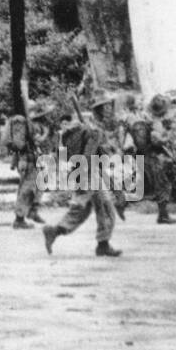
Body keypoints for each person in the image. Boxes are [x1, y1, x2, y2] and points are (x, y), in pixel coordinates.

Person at [42, 94, 122, 258]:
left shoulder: (86, 128)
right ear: (99, 111)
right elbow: (89, 154)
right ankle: (102, 244)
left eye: (108, 107)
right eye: (105, 107)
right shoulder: (92, 129)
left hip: (84, 171)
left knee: (85, 209)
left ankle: (56, 231)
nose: (108, 110)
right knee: (105, 207)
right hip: (87, 172)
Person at [135, 94, 176, 225]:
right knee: (163, 184)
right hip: (152, 157)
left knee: (153, 185)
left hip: (145, 157)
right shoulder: (156, 123)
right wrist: (167, 138)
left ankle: (162, 214)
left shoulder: (149, 120)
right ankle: (163, 215)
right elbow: (156, 141)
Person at [9, 103, 48, 228]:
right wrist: (46, 134)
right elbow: (38, 141)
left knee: (39, 186)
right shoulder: (32, 127)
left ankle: (32, 211)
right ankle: (19, 219)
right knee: (27, 189)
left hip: (34, 160)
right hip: (28, 161)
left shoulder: (33, 126)